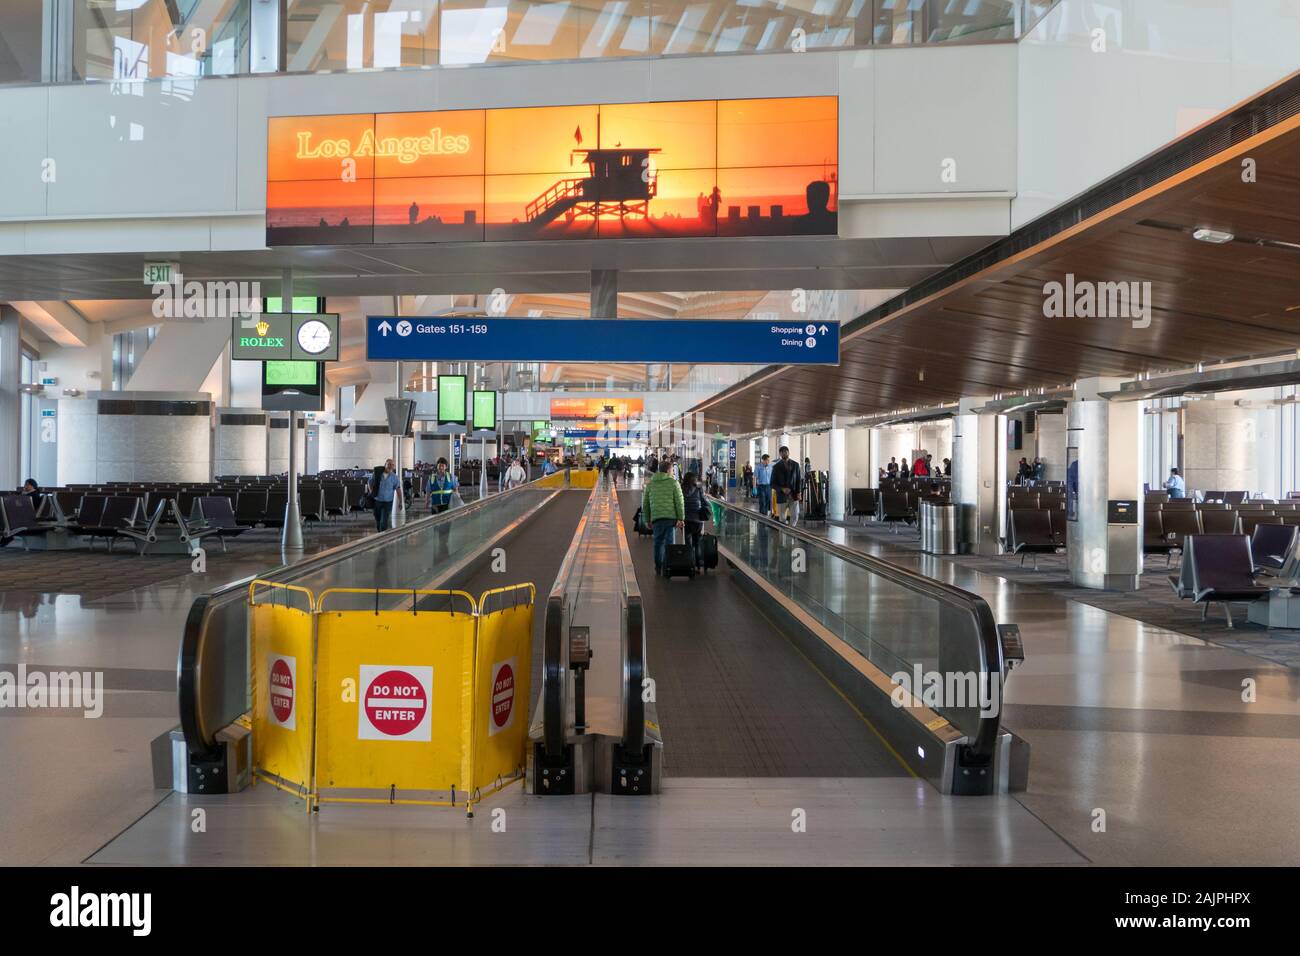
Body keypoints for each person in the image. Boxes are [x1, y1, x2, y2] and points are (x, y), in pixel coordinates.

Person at [641, 459, 685, 576]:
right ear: (668, 470)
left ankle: (658, 566)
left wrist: (647, 519)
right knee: (669, 543)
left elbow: (645, 503)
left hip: (656, 518)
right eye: (671, 470)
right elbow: (679, 502)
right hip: (671, 519)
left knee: (658, 543)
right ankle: (667, 566)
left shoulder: (650, 484)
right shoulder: (674, 483)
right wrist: (681, 518)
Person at [681, 472, 713, 568]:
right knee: (697, 543)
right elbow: (706, 503)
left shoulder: (681, 489)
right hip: (697, 520)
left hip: (685, 519)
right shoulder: (699, 490)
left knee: (688, 542)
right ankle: (698, 564)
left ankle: (689, 563)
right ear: (694, 480)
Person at [770, 445, 803, 525]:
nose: (784, 453)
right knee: (782, 518)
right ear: (780, 454)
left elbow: (799, 480)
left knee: (795, 515)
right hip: (782, 496)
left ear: (789, 453)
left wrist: (799, 492)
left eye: (786, 452)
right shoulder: (776, 467)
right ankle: (785, 533)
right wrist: (782, 489)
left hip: (794, 495)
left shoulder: (796, 465)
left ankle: (791, 531)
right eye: (782, 452)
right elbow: (772, 484)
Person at [369, 459, 401, 532]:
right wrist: (372, 492)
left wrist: (401, 501)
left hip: (388, 502)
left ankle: (382, 536)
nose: (390, 466)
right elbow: (370, 482)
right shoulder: (377, 474)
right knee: (378, 519)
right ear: (385, 465)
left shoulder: (394, 477)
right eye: (389, 464)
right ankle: (380, 533)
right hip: (377, 501)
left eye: (392, 465)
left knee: (384, 521)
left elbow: (398, 489)